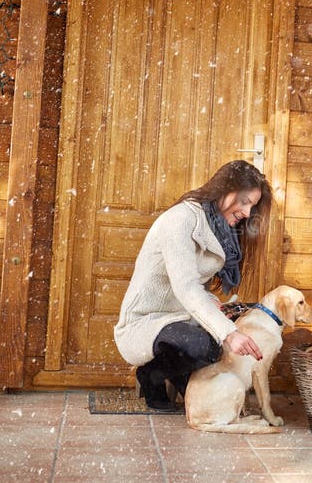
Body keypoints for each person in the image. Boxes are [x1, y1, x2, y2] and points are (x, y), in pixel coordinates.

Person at [114, 160, 272, 410]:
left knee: (212, 348)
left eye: (251, 205)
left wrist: (214, 304)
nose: (247, 213)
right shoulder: (180, 219)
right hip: (148, 318)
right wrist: (230, 334)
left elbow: (196, 285)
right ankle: (152, 375)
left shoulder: (218, 229)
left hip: (180, 317)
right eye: (244, 201)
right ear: (225, 188)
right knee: (205, 344)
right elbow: (186, 286)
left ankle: (176, 377)